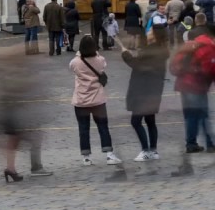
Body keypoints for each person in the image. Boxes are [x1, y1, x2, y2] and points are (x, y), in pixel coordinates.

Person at [69, 36, 121, 166]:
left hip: (81, 100)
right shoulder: (100, 60)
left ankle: (86, 157)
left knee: (83, 128)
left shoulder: (75, 62)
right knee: (103, 126)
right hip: (98, 100)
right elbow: (103, 65)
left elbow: (71, 67)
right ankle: (109, 154)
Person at [170, 22, 215, 156]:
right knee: (202, 114)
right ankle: (210, 143)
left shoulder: (191, 44)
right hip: (196, 85)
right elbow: (209, 68)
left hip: (183, 84)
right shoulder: (208, 46)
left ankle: (191, 143)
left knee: (190, 115)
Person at [122, 28, 167, 162]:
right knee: (150, 120)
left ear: (154, 36)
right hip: (153, 91)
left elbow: (137, 65)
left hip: (143, 91)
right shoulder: (160, 51)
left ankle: (146, 150)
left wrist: (126, 55)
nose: (148, 33)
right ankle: (153, 150)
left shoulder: (149, 51)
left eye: (150, 31)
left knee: (136, 121)